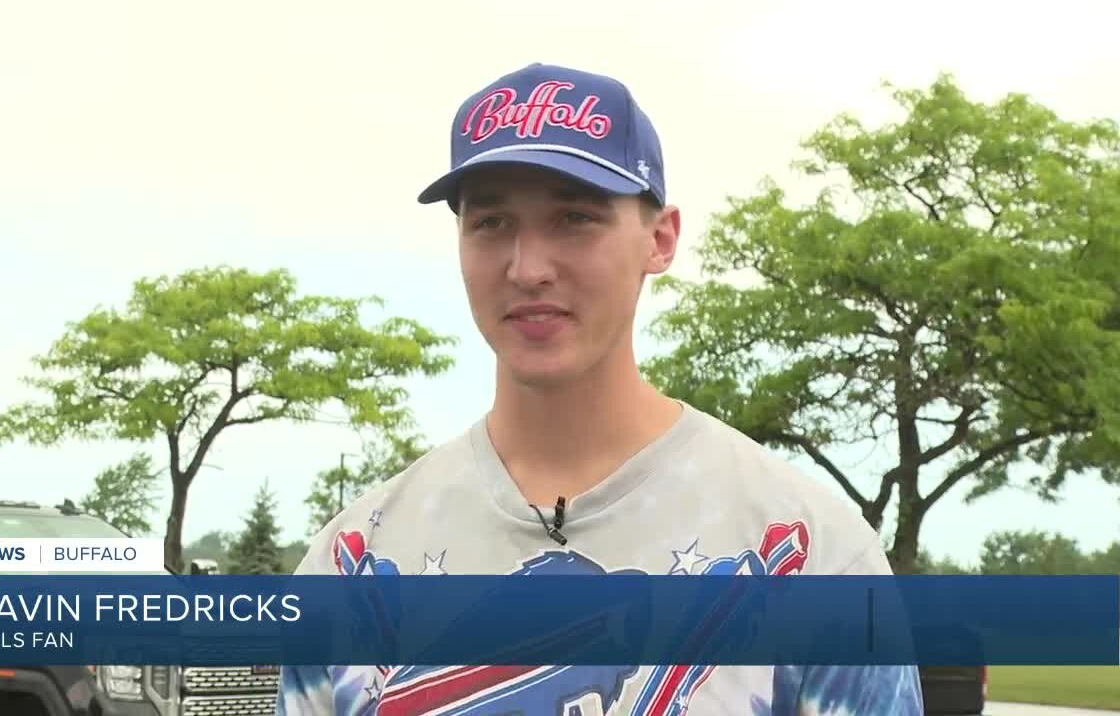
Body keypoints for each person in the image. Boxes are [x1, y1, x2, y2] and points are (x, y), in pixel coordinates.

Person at [277, 62, 924, 715]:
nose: (528, 268)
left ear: (661, 238)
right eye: (492, 223)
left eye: (575, 218)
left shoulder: (813, 556)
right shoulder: (353, 562)